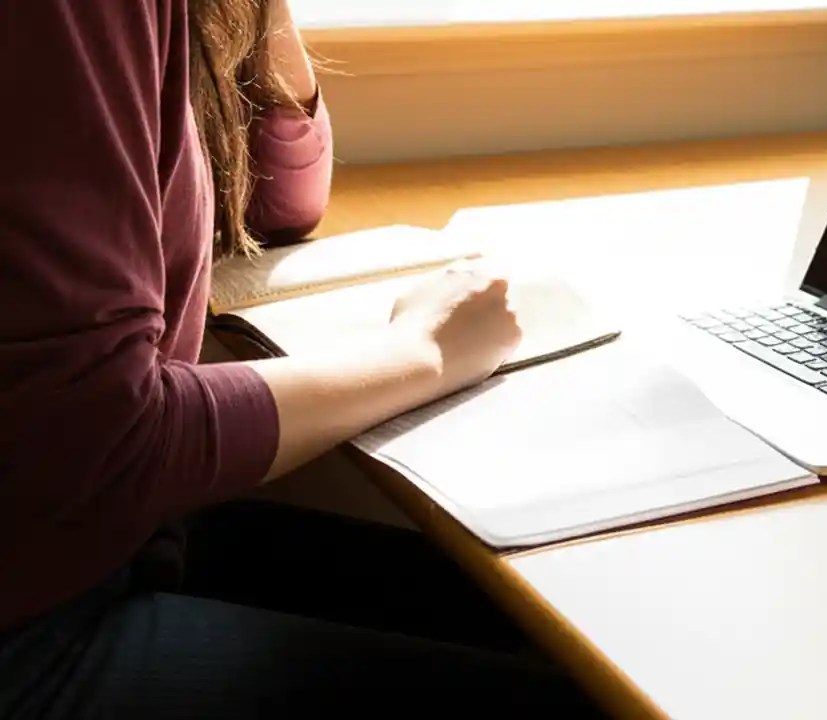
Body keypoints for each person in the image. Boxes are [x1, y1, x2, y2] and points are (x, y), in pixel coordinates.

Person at [0, 1, 604, 717]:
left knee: (573, 628)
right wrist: (424, 353)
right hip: (34, 624)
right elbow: (98, 438)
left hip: (88, 549)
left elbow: (275, 198)